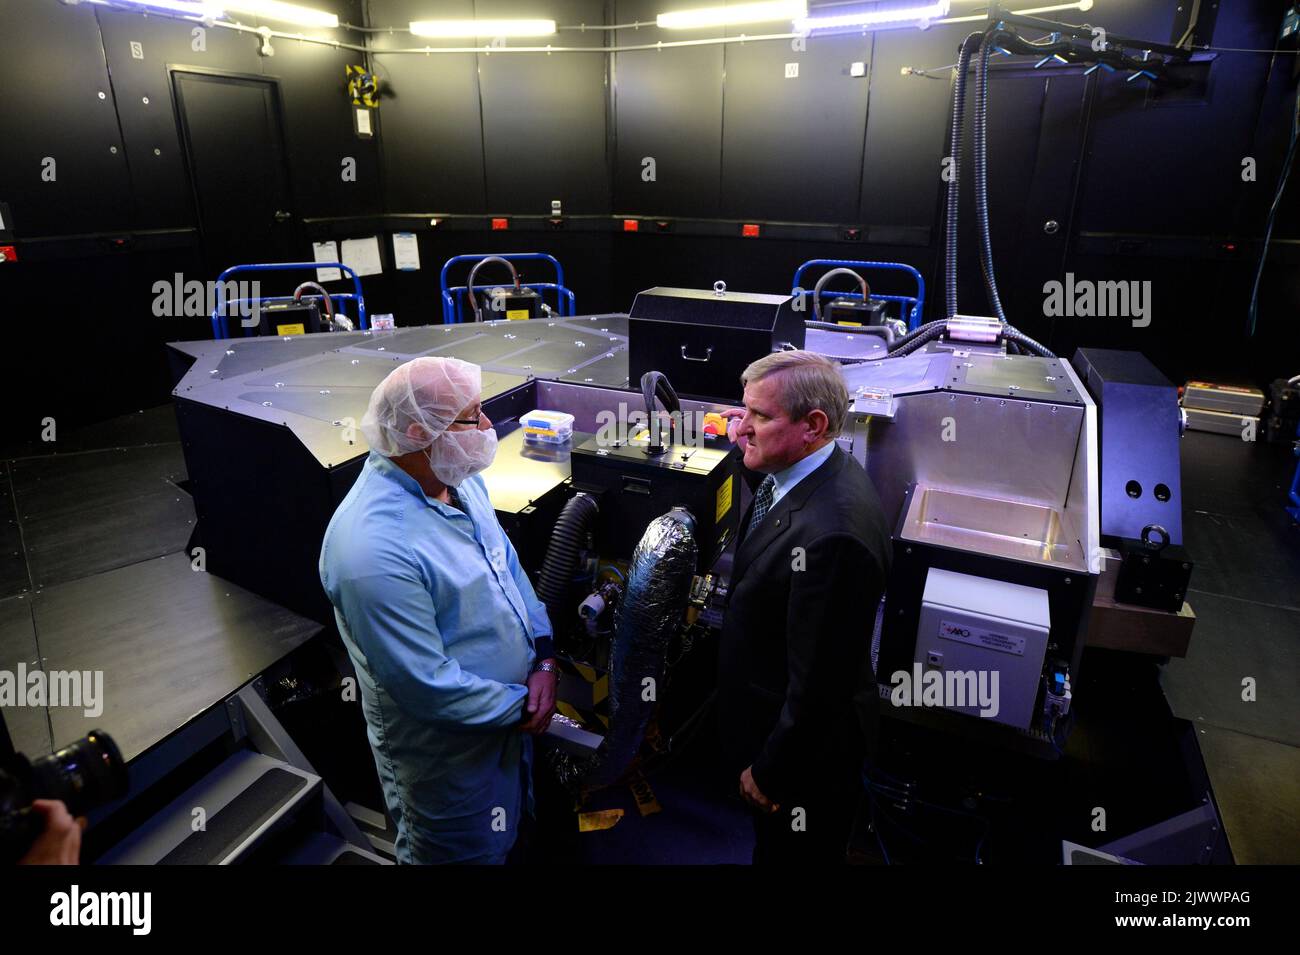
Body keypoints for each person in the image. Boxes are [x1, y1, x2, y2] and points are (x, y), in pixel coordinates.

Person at [319, 356, 558, 864]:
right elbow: (424, 685)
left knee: (517, 839)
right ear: (416, 432)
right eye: (473, 417)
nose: (489, 428)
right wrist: (526, 708)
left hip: (512, 734)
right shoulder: (370, 548)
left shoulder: (459, 480)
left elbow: (508, 571)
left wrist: (543, 658)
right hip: (448, 767)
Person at [717, 350, 892, 864]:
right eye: (742, 410)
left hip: (805, 762)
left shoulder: (833, 538)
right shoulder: (814, 469)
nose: (742, 426)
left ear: (813, 425)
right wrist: (750, 445)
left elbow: (820, 687)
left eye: (760, 416)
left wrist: (771, 772)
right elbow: (780, 505)